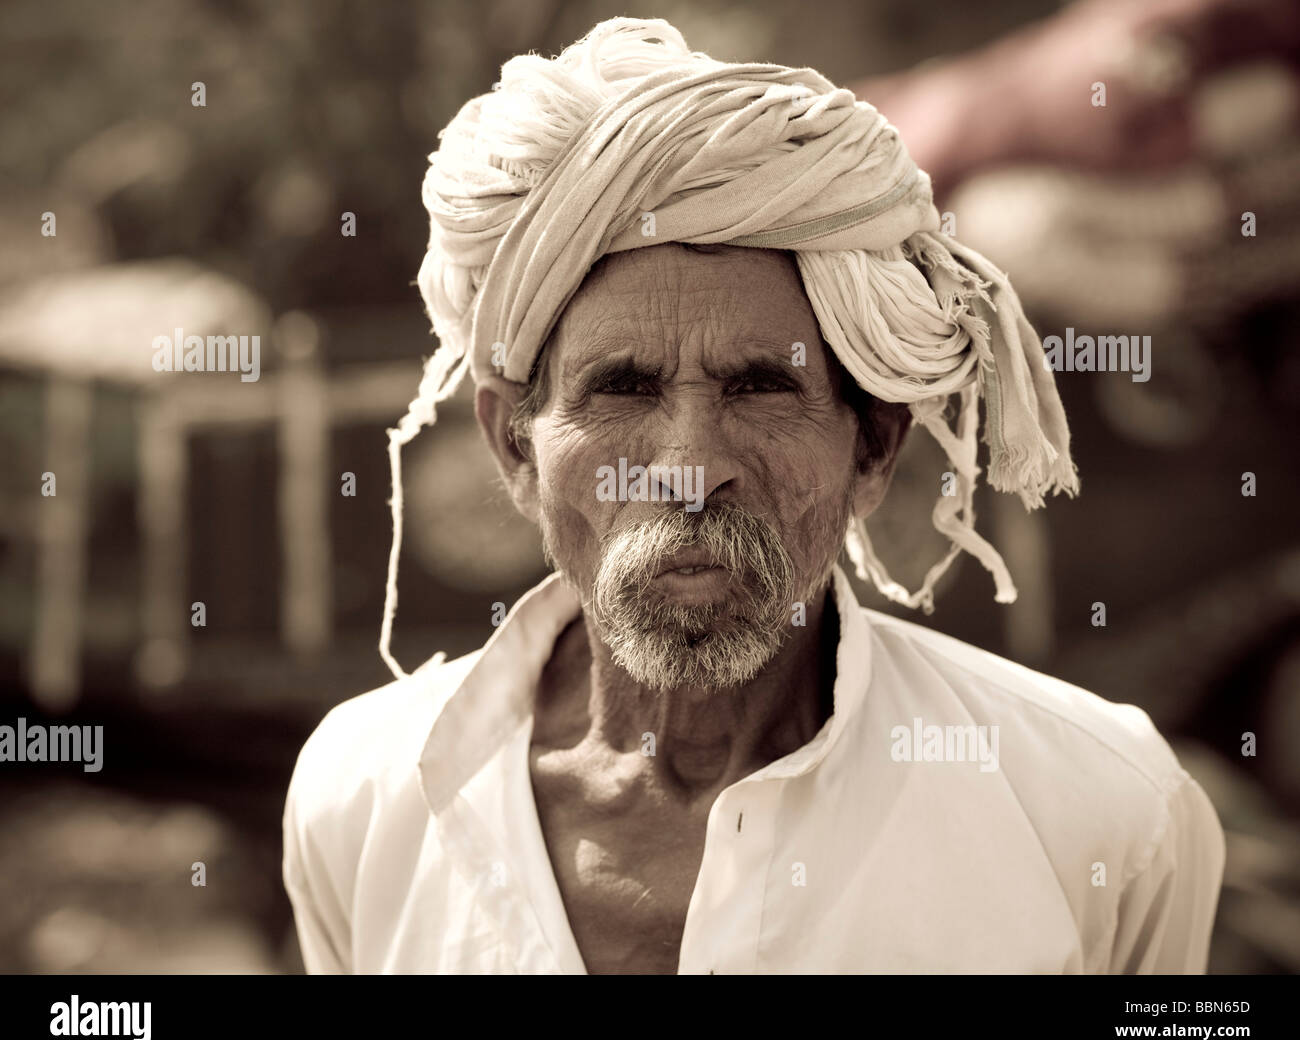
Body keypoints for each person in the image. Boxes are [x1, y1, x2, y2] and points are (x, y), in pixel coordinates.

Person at [282, 17, 1224, 974]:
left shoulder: (1100, 814)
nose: (691, 465)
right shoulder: (360, 796)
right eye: (622, 388)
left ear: (874, 447)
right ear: (515, 448)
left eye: (762, 387)